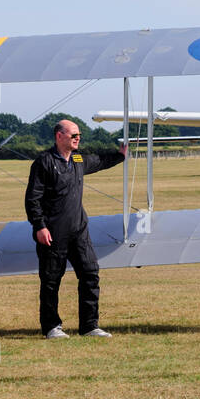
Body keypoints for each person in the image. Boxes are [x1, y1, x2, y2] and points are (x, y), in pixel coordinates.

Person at [24, 119, 125, 339]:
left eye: (79, 135)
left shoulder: (78, 159)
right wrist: (40, 226)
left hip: (79, 230)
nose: (78, 138)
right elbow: (33, 199)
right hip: (52, 232)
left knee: (90, 273)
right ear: (59, 136)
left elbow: (98, 161)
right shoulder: (44, 162)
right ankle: (52, 327)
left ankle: (89, 326)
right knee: (51, 280)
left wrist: (120, 155)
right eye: (73, 136)